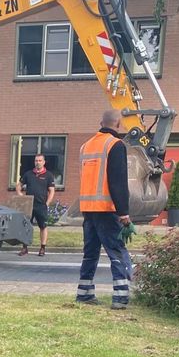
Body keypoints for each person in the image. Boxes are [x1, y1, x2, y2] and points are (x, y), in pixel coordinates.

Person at [76, 110, 133, 310]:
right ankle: (120, 297)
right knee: (116, 251)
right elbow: (118, 181)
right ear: (117, 124)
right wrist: (123, 212)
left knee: (90, 253)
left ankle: (84, 293)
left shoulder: (85, 146)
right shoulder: (115, 145)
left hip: (88, 208)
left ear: (101, 123)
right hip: (107, 210)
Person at [18, 153, 57, 256]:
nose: (37, 163)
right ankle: (25, 248)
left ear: (44, 162)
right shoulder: (28, 174)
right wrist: (21, 195)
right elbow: (19, 185)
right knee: (26, 226)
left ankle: (42, 248)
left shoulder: (48, 175)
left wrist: (47, 203)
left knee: (43, 227)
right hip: (29, 204)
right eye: (36, 161)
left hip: (41, 205)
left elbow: (52, 191)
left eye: (40, 161)